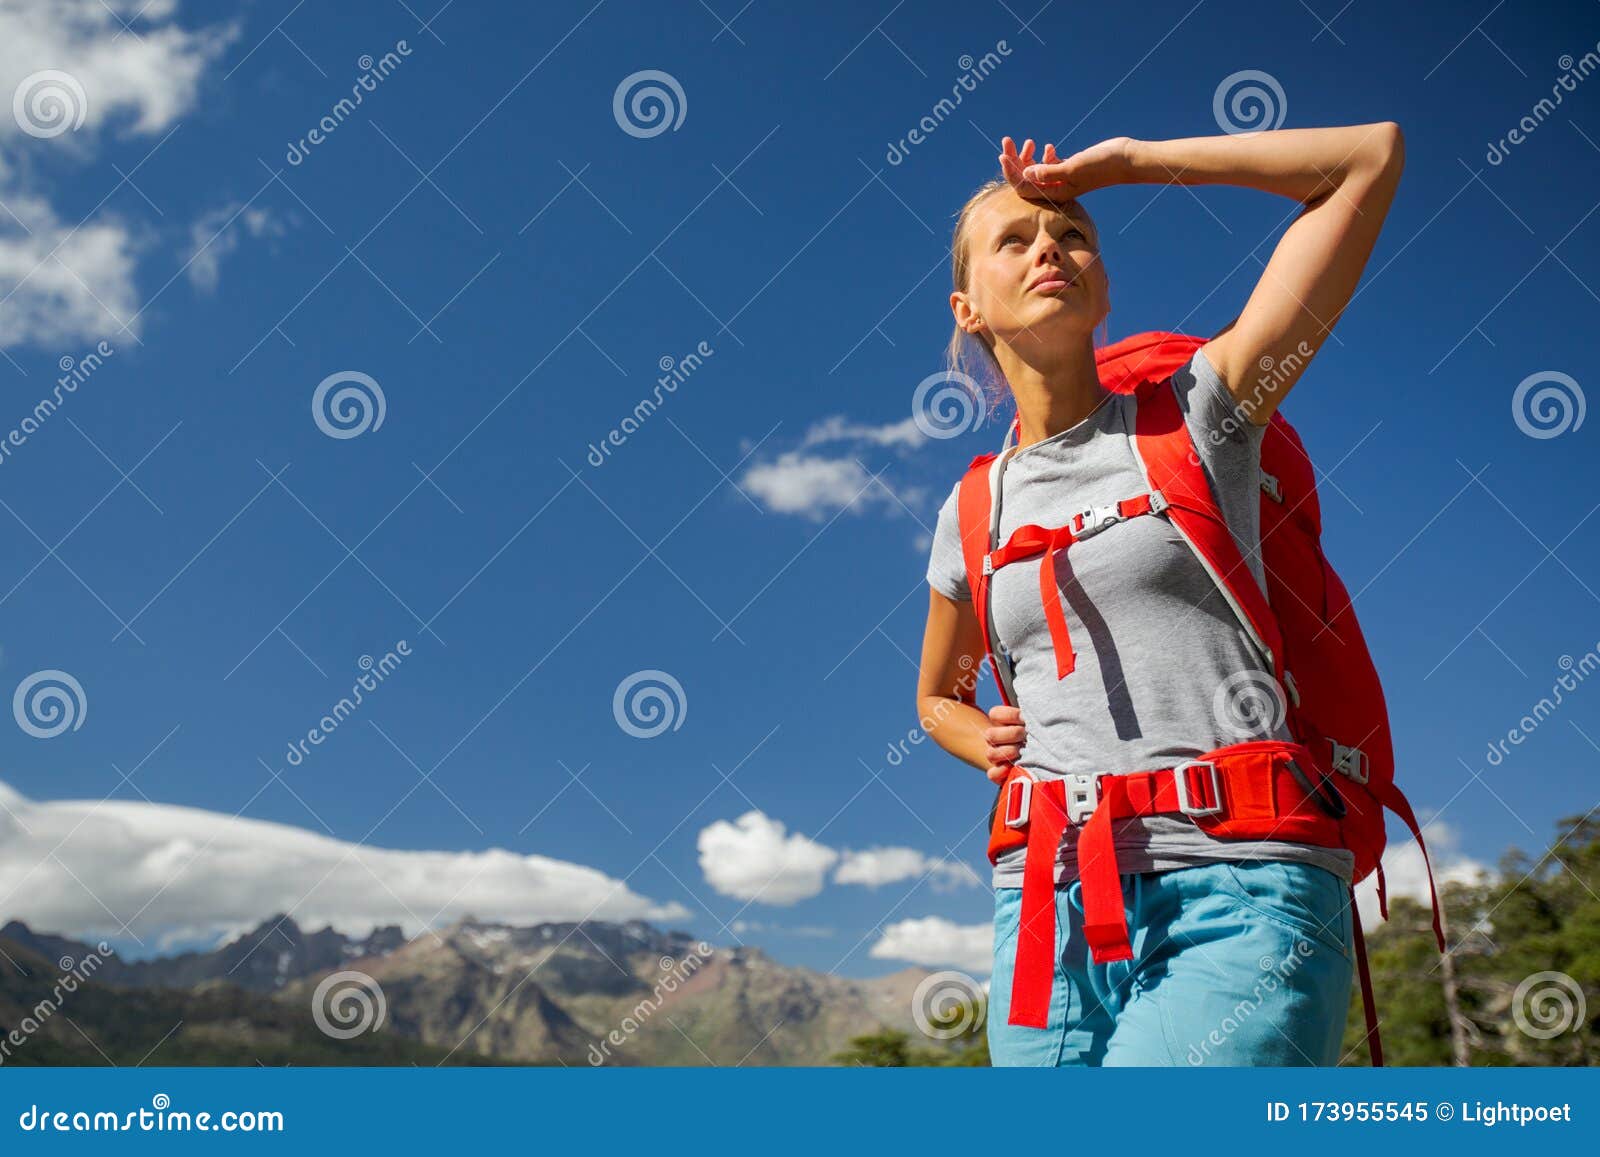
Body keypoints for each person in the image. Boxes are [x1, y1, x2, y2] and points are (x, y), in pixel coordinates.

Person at [917, 126, 1406, 1066]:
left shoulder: (1205, 412)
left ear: (1102, 287)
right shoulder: (973, 506)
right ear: (967, 307)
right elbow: (937, 694)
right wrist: (984, 735)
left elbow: (1366, 162)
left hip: (1243, 885)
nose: (1049, 248)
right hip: (1045, 901)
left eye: (1073, 235)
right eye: (1013, 241)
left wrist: (1128, 164)